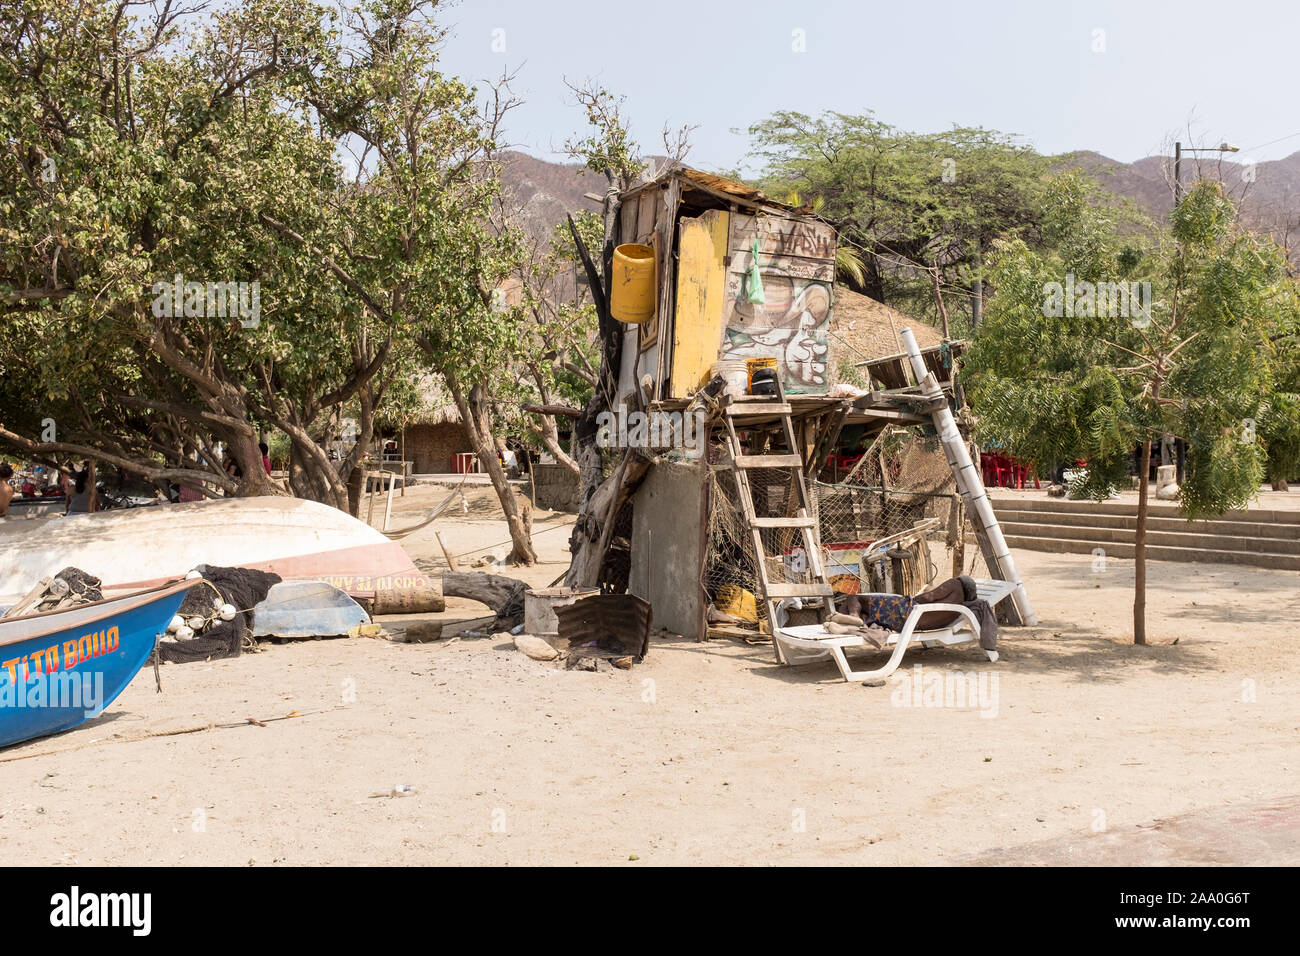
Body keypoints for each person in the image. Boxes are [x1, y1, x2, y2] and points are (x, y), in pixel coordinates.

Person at [839, 575, 978, 632]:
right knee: (864, 608)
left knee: (855, 598)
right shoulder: (957, 610)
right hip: (912, 625)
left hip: (908, 612)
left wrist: (912, 599)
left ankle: (854, 618)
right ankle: (851, 622)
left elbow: (930, 597)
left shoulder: (956, 584)